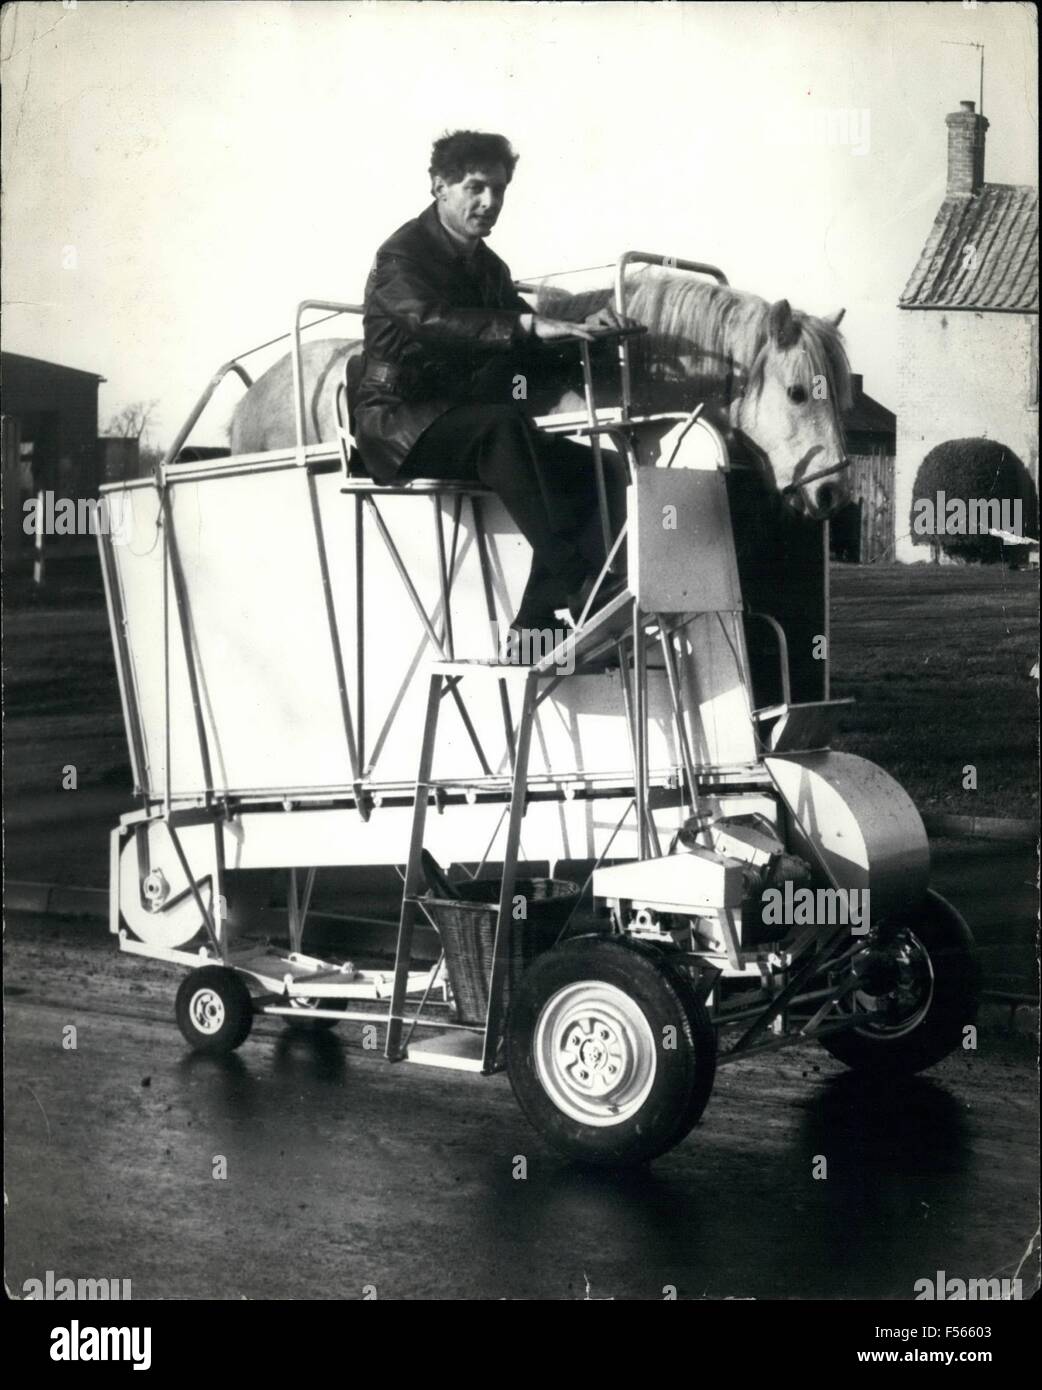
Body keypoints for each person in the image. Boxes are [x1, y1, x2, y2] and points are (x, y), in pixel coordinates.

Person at [352, 129, 633, 640]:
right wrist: (526, 326)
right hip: (398, 423)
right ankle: (582, 583)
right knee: (503, 426)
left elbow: (527, 339)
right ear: (439, 184)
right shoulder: (400, 257)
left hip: (463, 423)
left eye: (500, 190)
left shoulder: (489, 267)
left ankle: (534, 626)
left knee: (602, 468)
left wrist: (588, 333)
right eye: (476, 188)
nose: (490, 202)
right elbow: (431, 320)